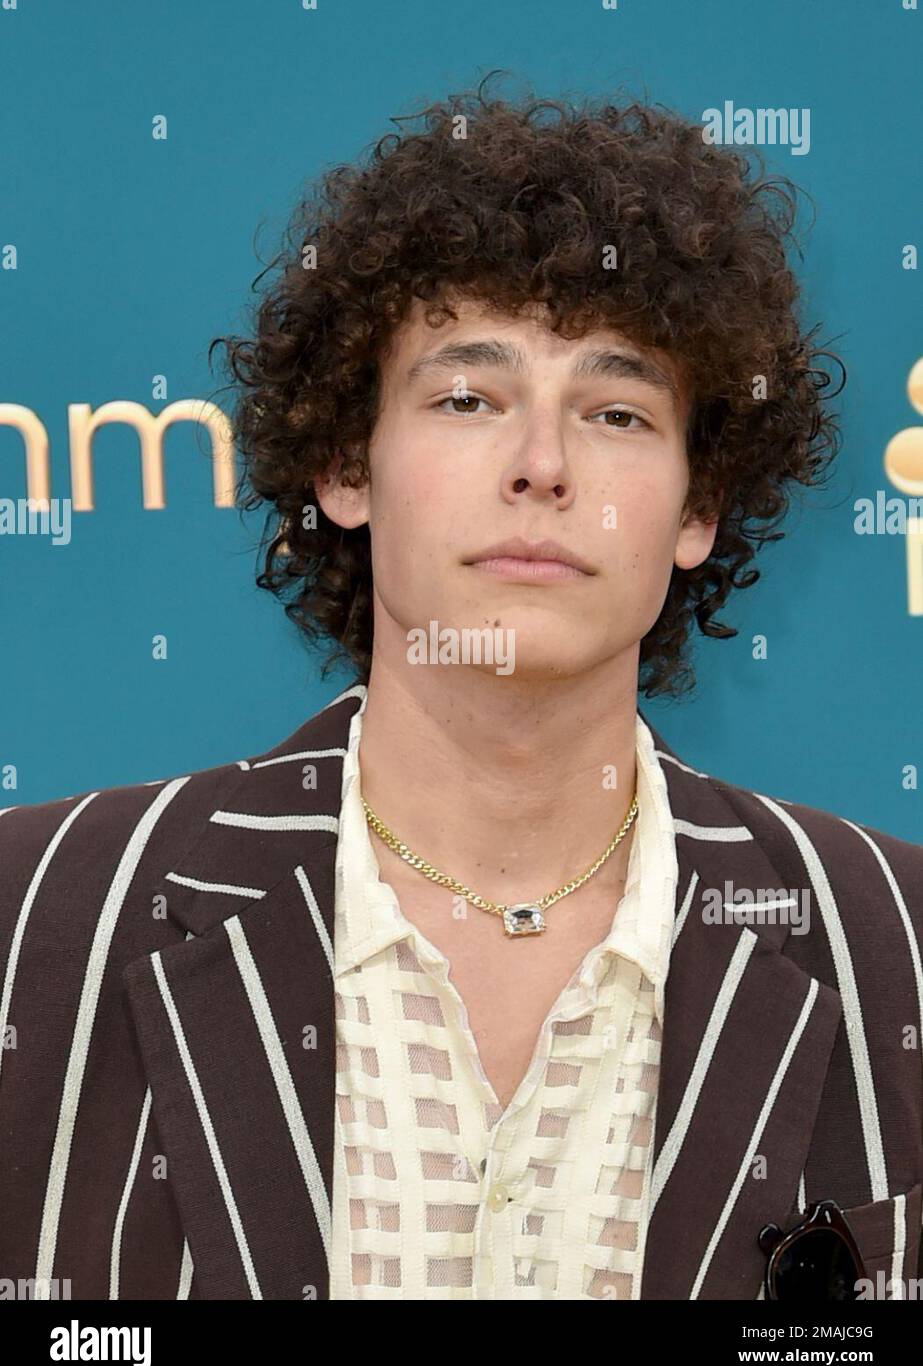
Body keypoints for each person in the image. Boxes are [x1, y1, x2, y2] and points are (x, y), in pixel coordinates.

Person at [2, 76, 921, 1303]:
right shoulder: (36, 918)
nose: (541, 466)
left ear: (697, 507)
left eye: (613, 410)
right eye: (466, 398)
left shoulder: (895, 946)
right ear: (344, 464)